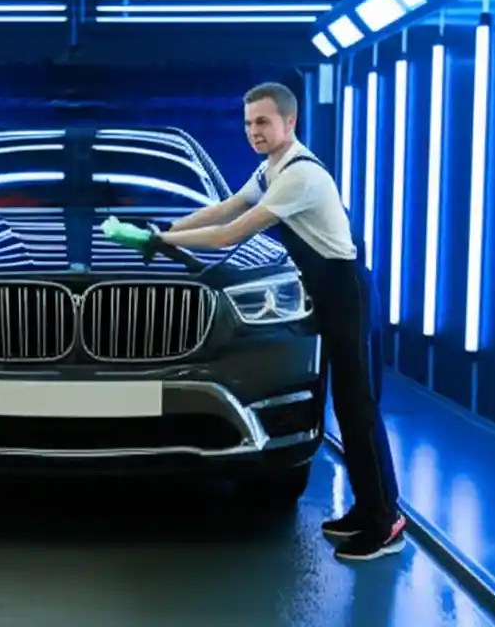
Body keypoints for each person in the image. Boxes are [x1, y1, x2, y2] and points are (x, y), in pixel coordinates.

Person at [143, 82, 405, 561]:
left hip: (347, 294)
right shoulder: (271, 169)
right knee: (346, 408)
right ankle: (368, 509)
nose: (253, 131)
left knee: (359, 409)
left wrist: (163, 243)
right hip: (329, 294)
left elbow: (229, 233)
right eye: (248, 123)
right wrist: (166, 230)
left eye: (262, 121)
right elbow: (227, 206)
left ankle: (385, 523)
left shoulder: (299, 175)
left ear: (290, 121)